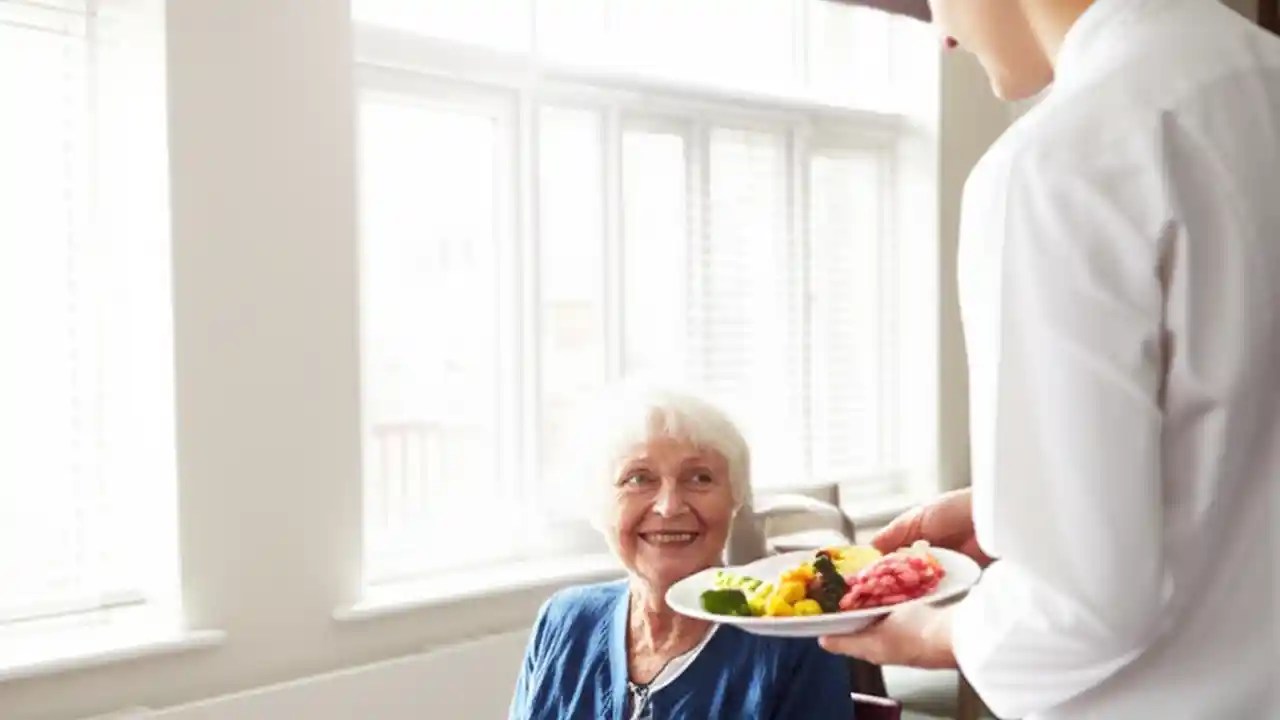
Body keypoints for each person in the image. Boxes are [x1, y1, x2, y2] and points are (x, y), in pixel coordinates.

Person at [818, 0, 1280, 718]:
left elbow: (1081, 607)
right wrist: (1017, 498)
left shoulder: (1060, 163)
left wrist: (941, 630)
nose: (941, 34)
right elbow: (1247, 439)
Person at [509, 387, 854, 719]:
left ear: (735, 500)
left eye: (700, 478)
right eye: (638, 479)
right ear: (600, 505)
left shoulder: (793, 643)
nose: (669, 507)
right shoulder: (565, 619)